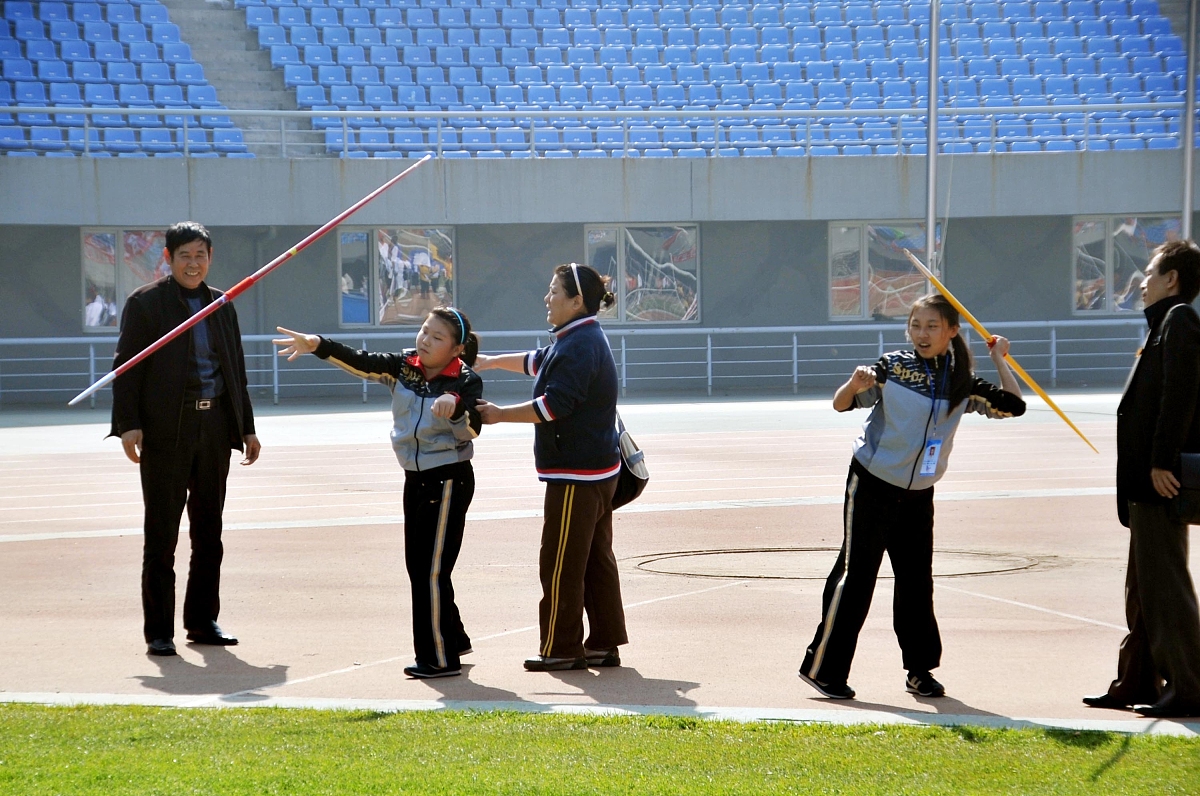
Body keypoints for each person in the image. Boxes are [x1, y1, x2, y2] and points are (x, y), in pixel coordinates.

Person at [799, 294, 1026, 700]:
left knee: (917, 583)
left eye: (932, 326)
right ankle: (824, 669)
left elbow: (1012, 407)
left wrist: (1000, 358)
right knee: (857, 576)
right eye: (916, 325)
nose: (922, 333)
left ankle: (919, 671)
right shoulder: (893, 367)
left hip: (919, 494)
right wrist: (854, 384)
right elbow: (840, 404)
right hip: (872, 484)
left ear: (952, 331)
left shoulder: (962, 381)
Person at [273, 307, 483, 679]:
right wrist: (317, 344)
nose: (425, 340)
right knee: (420, 567)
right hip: (414, 478)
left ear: (456, 349)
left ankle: (439, 658)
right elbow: (361, 361)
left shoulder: (465, 381)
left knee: (430, 571)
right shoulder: (404, 366)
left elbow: (472, 430)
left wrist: (455, 409)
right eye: (424, 331)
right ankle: (452, 637)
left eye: (437, 337)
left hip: (448, 479)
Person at [109, 221, 261, 657]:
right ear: (168, 258)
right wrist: (128, 423)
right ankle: (159, 631)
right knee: (161, 535)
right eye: (184, 256)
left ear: (210, 258)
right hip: (166, 431)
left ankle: (202, 620)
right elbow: (126, 368)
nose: (193, 264)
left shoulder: (222, 304)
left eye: (200, 255)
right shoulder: (146, 303)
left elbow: (235, 369)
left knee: (210, 532)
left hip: (214, 429)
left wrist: (246, 426)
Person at [474, 263, 627, 672]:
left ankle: (561, 648)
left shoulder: (578, 343)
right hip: (596, 472)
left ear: (576, 301)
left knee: (560, 564)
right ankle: (603, 643)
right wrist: (488, 361)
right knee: (595, 561)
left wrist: (499, 415)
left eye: (554, 291)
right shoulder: (580, 337)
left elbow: (554, 405)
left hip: (576, 476)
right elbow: (538, 361)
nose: (547, 298)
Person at [1084, 240, 1200, 718]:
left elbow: (1180, 395)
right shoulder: (1163, 324)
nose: (1143, 281)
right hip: (1142, 482)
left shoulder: (1179, 321)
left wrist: (1161, 461)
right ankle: (1136, 680)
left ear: (1171, 279)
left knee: (1165, 586)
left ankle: (1189, 687)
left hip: (1157, 480)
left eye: (1151, 272)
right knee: (1143, 588)